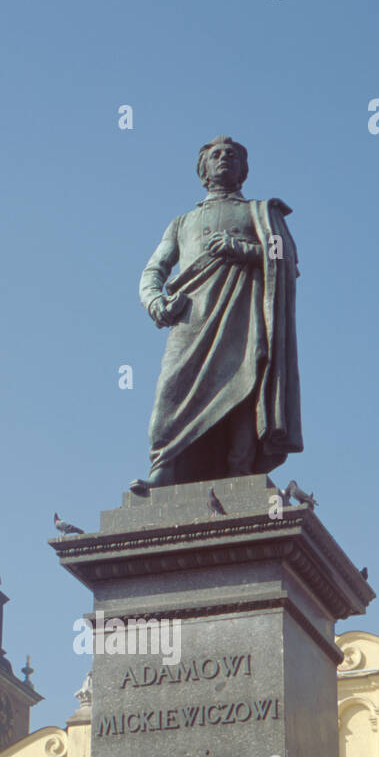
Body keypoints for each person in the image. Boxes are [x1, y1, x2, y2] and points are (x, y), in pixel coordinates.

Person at [133, 135, 302, 491]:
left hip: (244, 318)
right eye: (216, 155)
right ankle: (164, 465)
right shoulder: (181, 223)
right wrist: (155, 301)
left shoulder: (260, 212)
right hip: (191, 318)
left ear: (243, 170)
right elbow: (153, 270)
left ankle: (240, 470)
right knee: (170, 392)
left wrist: (238, 248)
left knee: (242, 383)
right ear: (203, 168)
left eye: (232, 156)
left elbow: (284, 257)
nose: (224, 159)